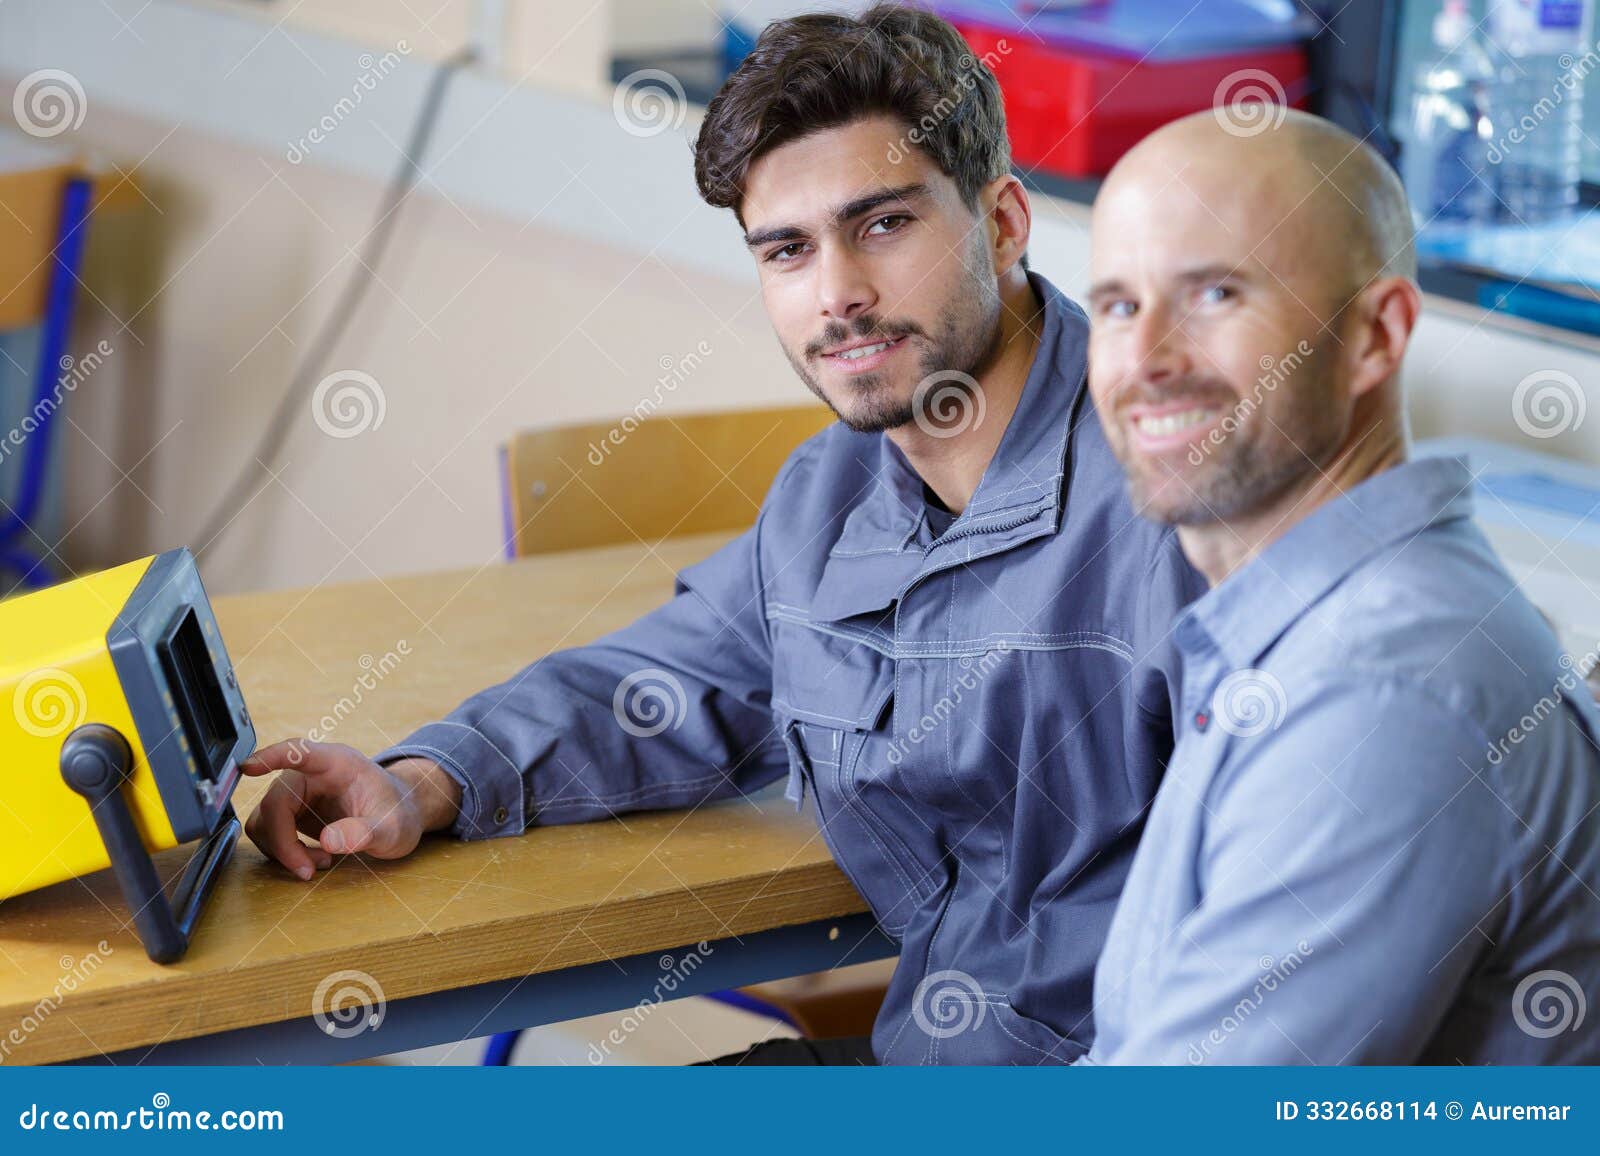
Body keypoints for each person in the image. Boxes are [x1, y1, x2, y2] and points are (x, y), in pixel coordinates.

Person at [240, 5, 1204, 1065]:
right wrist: (426, 781)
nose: (837, 292)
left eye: (883, 224)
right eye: (788, 250)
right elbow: (674, 677)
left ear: (1005, 222)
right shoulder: (831, 491)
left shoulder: (1182, 510)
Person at [1080, 108, 1600, 1064]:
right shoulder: (1301, 624)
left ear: (1374, 335)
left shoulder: (1381, 689)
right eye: (1117, 306)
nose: (1146, 358)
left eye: (1216, 294)